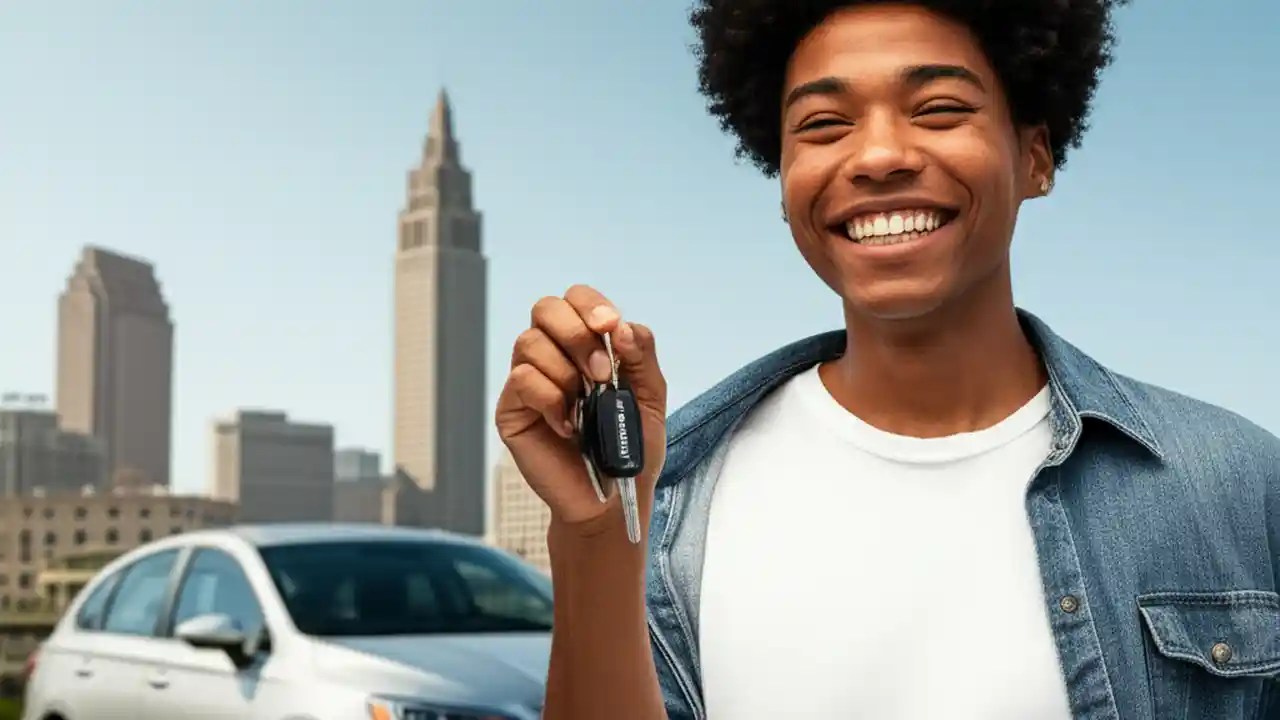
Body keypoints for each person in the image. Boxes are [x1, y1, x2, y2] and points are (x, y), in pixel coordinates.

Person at [495, 1, 1280, 719]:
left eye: (938, 110)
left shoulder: (1236, 483)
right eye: (823, 125)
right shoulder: (672, 501)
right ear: (782, 180)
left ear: (1035, 157)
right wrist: (597, 539)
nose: (876, 156)